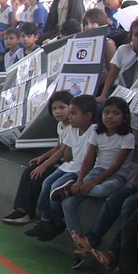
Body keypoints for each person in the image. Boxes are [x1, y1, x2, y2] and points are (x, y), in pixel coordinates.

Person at [76, 101, 138, 274]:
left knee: (129, 208)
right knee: (115, 199)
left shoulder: (127, 137)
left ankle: (115, 255)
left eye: (115, 113)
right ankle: (91, 239)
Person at [59, 97, 134, 269]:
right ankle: (81, 245)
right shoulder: (97, 133)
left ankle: (69, 189)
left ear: (124, 117)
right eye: (107, 112)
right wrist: (80, 180)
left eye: (116, 113)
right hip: (96, 172)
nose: (110, 117)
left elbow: (116, 166)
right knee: (68, 202)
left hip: (115, 177)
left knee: (102, 190)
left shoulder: (127, 137)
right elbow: (88, 159)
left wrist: (90, 185)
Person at [25, 95, 97, 242]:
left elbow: (88, 157)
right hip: (69, 165)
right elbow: (66, 153)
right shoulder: (72, 129)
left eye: (73, 114)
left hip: (78, 169)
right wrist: (44, 164)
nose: (69, 117)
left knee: (55, 188)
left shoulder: (94, 130)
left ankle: (58, 221)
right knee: (46, 183)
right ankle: (45, 219)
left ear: (88, 116)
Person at [2, 91, 72, 225]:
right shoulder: (60, 125)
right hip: (58, 160)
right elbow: (58, 146)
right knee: (28, 171)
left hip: (66, 164)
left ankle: (30, 213)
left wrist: (43, 166)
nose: (58, 111)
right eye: (54, 108)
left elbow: (63, 152)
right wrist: (42, 157)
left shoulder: (73, 128)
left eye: (62, 107)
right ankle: (20, 209)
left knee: (37, 176)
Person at [97, 19, 138, 102]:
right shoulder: (123, 50)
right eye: (137, 35)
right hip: (121, 91)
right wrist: (103, 95)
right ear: (131, 36)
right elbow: (112, 74)